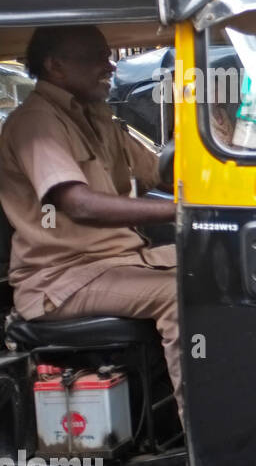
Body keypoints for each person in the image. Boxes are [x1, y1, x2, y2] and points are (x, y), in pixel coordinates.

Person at [0, 26, 181, 402]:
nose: (110, 66)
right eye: (97, 57)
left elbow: (160, 171)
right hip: (62, 278)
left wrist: (212, 143)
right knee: (184, 296)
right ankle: (208, 437)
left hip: (116, 261)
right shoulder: (37, 122)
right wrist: (179, 212)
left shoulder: (97, 116)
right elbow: (79, 204)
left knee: (222, 272)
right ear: (55, 66)